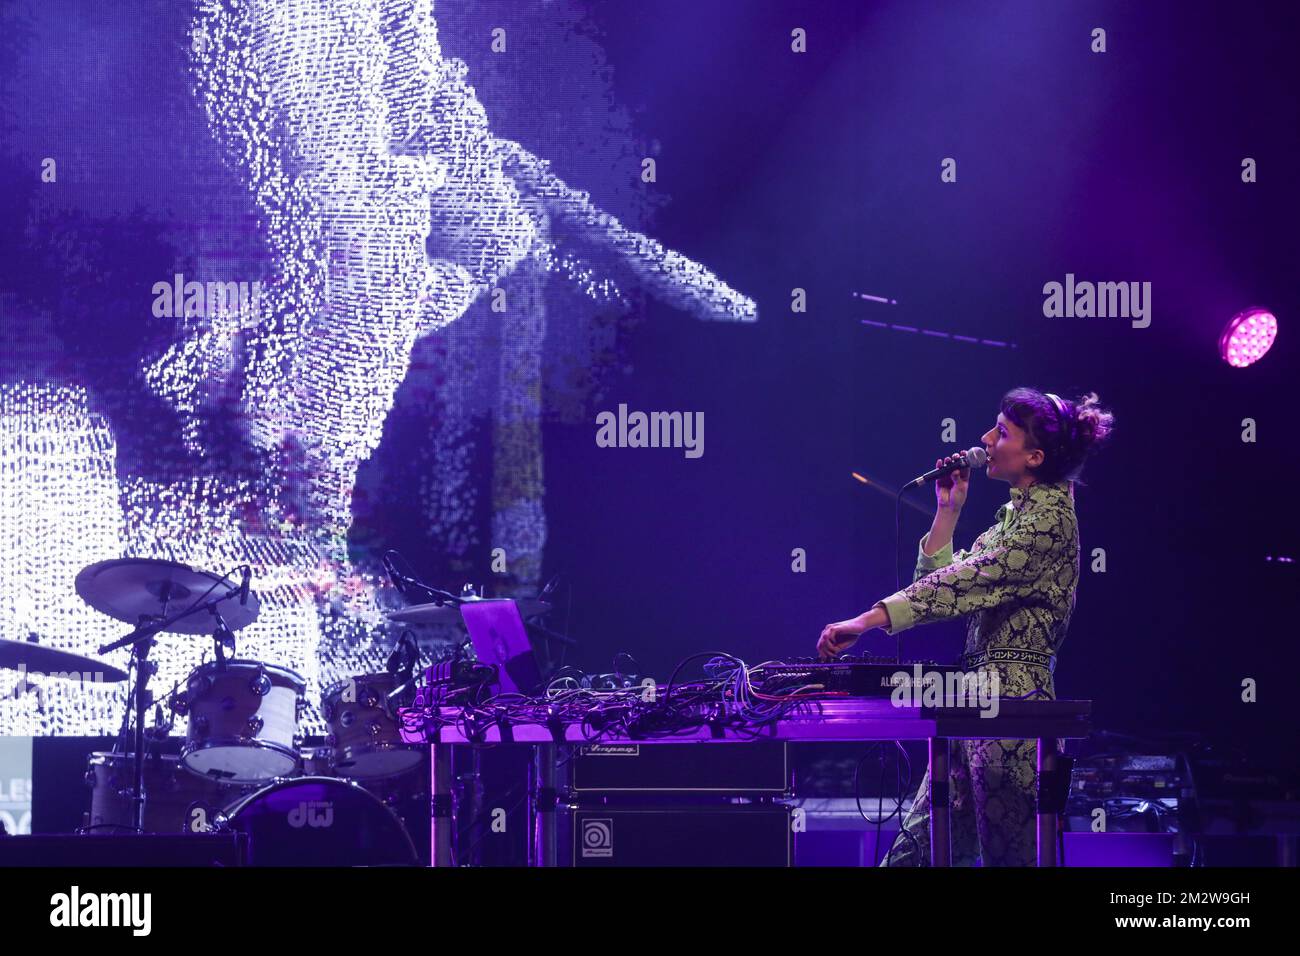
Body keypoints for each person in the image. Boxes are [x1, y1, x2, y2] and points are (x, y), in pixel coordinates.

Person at [816, 388, 1113, 865]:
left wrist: (868, 619)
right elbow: (938, 584)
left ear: (1034, 456)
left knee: (1009, 857)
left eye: (1002, 431)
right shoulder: (1007, 522)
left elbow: (959, 585)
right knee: (915, 855)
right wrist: (949, 510)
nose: (985, 437)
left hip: (1014, 705)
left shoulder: (1051, 521)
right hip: (970, 700)